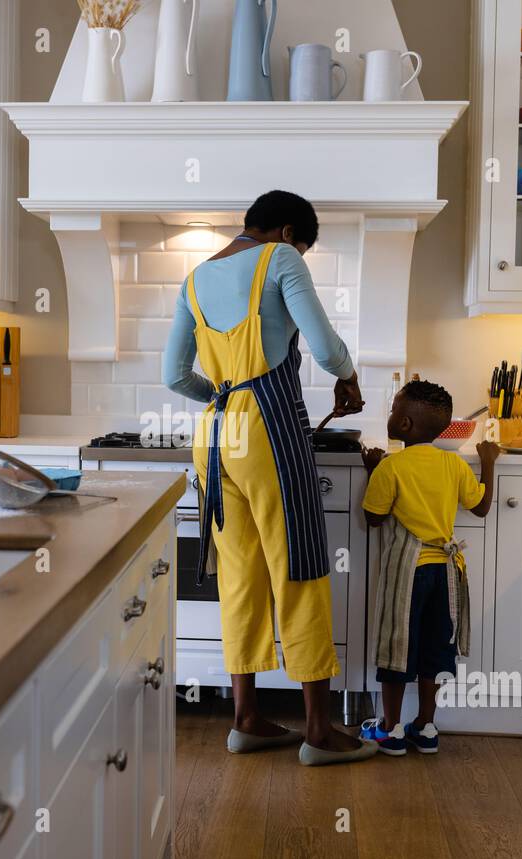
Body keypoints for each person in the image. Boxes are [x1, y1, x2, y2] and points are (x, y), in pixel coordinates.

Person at [162, 190, 377, 766]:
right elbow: (327, 346)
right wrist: (349, 378)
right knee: (301, 564)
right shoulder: (280, 259)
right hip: (267, 430)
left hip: (214, 437)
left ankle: (247, 719)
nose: (300, 253)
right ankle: (318, 731)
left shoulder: (194, 280)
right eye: (303, 246)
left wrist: (224, 398)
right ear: (287, 233)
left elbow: (172, 375)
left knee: (240, 574)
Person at [359, 379, 500, 755]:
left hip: (408, 572)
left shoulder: (392, 467)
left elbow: (373, 517)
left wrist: (372, 469)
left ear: (404, 425)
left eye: (392, 410)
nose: (389, 414)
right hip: (448, 574)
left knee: (397, 646)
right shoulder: (453, 463)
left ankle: (389, 728)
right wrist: (487, 462)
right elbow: (482, 506)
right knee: (437, 648)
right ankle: (426, 725)